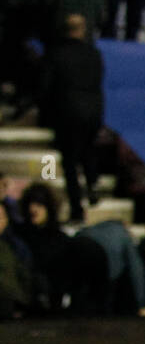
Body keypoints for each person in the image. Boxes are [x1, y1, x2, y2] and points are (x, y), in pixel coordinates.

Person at [38, 14, 104, 225]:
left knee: (70, 163)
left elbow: (45, 87)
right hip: (93, 112)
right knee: (88, 150)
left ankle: (77, 208)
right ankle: (93, 184)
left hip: (67, 114)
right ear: (83, 30)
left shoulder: (55, 54)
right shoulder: (94, 54)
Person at [15, 183, 72, 313]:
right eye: (31, 204)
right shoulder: (20, 233)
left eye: (39, 205)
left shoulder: (59, 237)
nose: (33, 209)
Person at [78, 219, 145, 315]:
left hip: (79, 253)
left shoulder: (89, 230)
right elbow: (135, 269)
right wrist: (141, 304)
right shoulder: (123, 234)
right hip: (103, 265)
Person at [0, 201, 34, 319]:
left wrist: (23, 300)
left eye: (1, 217)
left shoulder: (15, 246)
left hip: (13, 306)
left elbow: (25, 275)